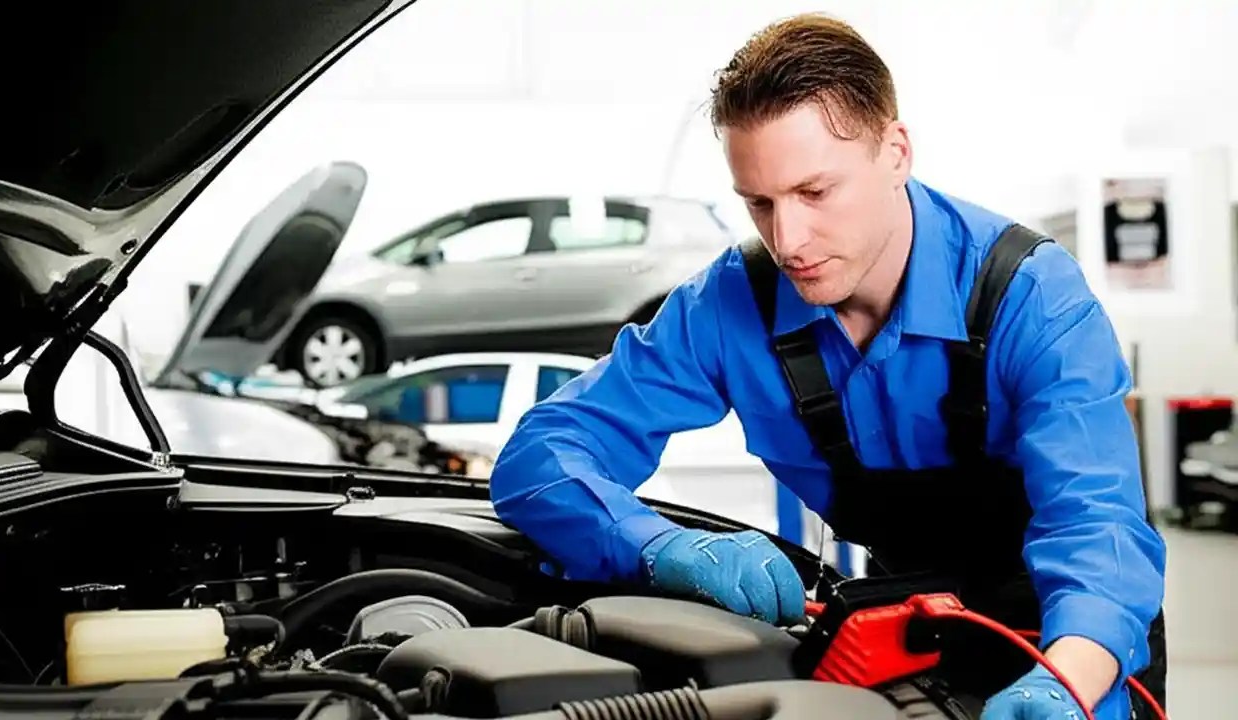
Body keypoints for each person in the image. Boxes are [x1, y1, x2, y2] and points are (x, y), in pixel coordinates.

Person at [488, 13, 1166, 720]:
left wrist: (1067, 682)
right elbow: (543, 455)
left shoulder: (1030, 297)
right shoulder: (730, 303)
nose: (788, 239)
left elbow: (1099, 528)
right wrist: (661, 548)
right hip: (902, 629)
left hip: (1075, 646)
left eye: (815, 193)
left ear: (896, 153)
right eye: (759, 202)